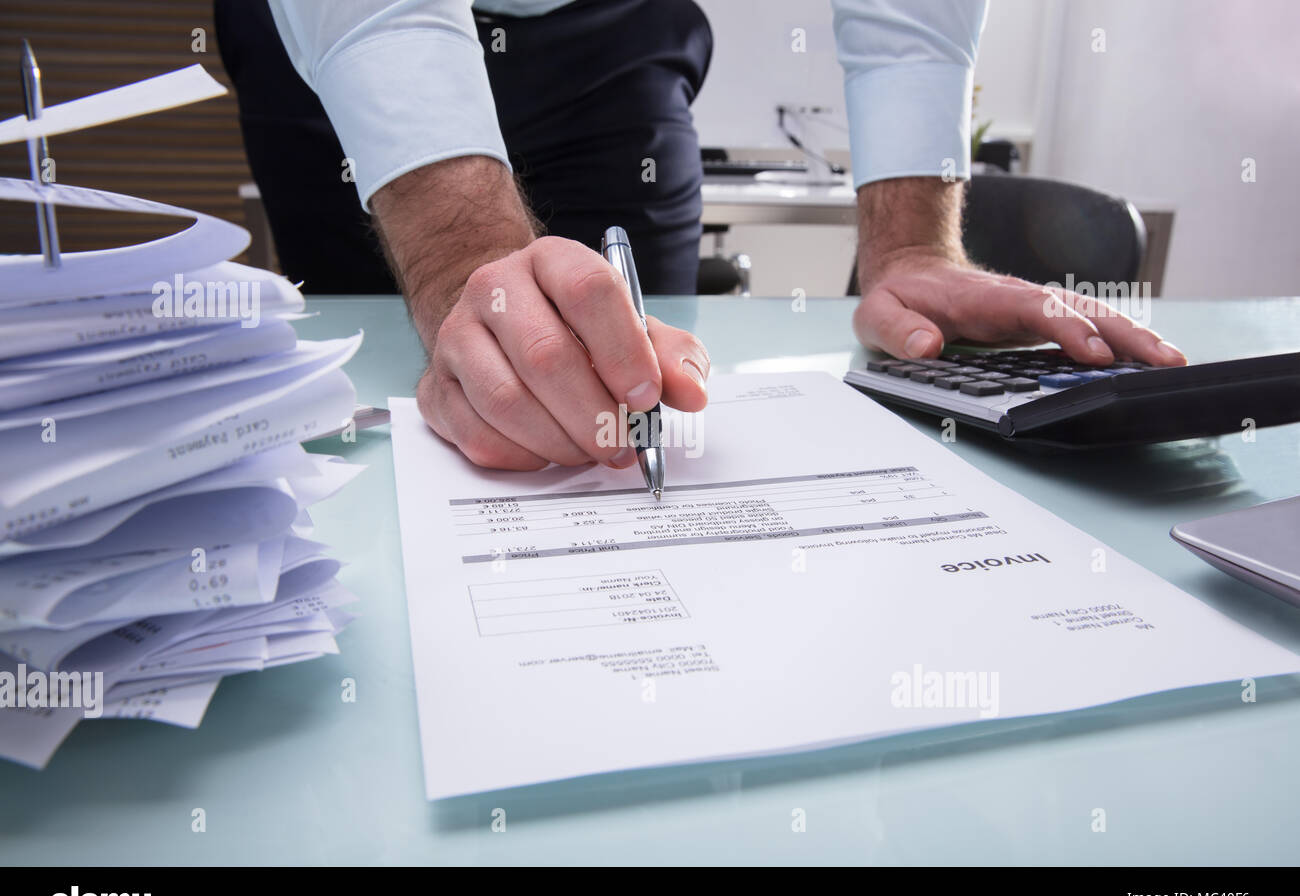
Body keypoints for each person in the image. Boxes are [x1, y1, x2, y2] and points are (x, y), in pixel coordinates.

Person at [216, 0, 1187, 471]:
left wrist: (911, 244)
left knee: (628, 392)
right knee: (409, 400)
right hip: (349, 25)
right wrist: (451, 251)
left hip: (611, 24)